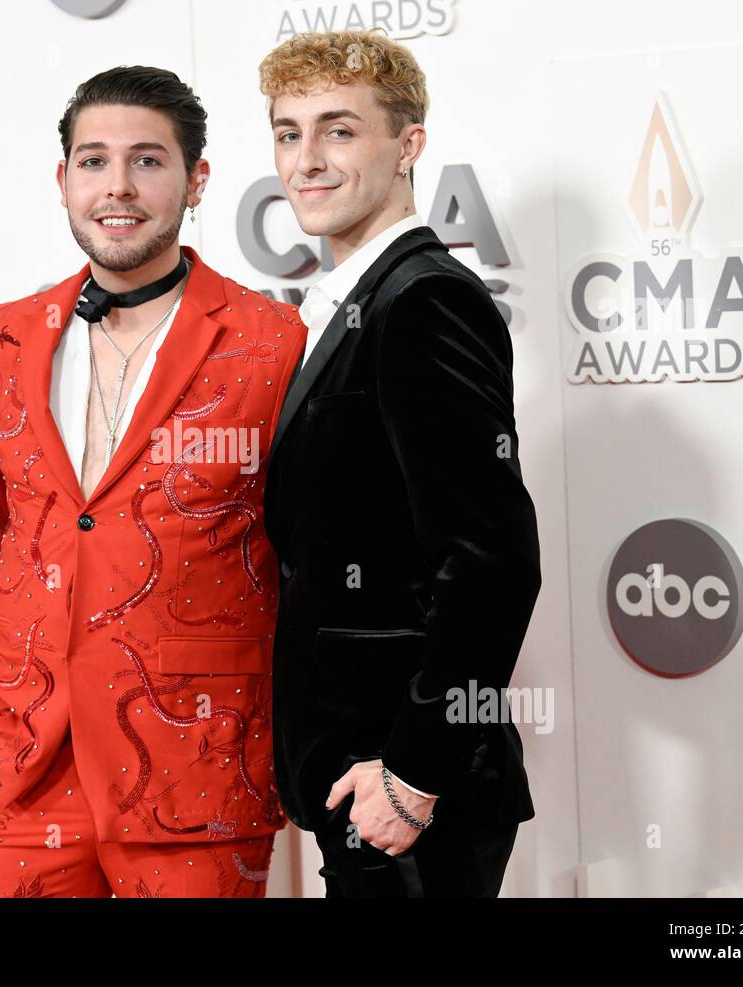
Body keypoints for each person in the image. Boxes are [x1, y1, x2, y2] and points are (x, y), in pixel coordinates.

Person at [0, 65, 305, 897]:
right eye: (93, 161)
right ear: (62, 180)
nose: (118, 187)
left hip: (196, 773)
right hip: (23, 769)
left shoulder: (272, 340)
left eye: (148, 160)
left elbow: (313, 552)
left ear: (196, 179)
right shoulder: (0, 338)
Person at [258, 29, 542, 897]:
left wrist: (413, 775)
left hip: (408, 789)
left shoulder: (424, 301)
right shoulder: (358, 302)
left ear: (408, 145)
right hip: (360, 779)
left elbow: (493, 561)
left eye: (338, 130)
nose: (307, 159)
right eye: (287, 132)